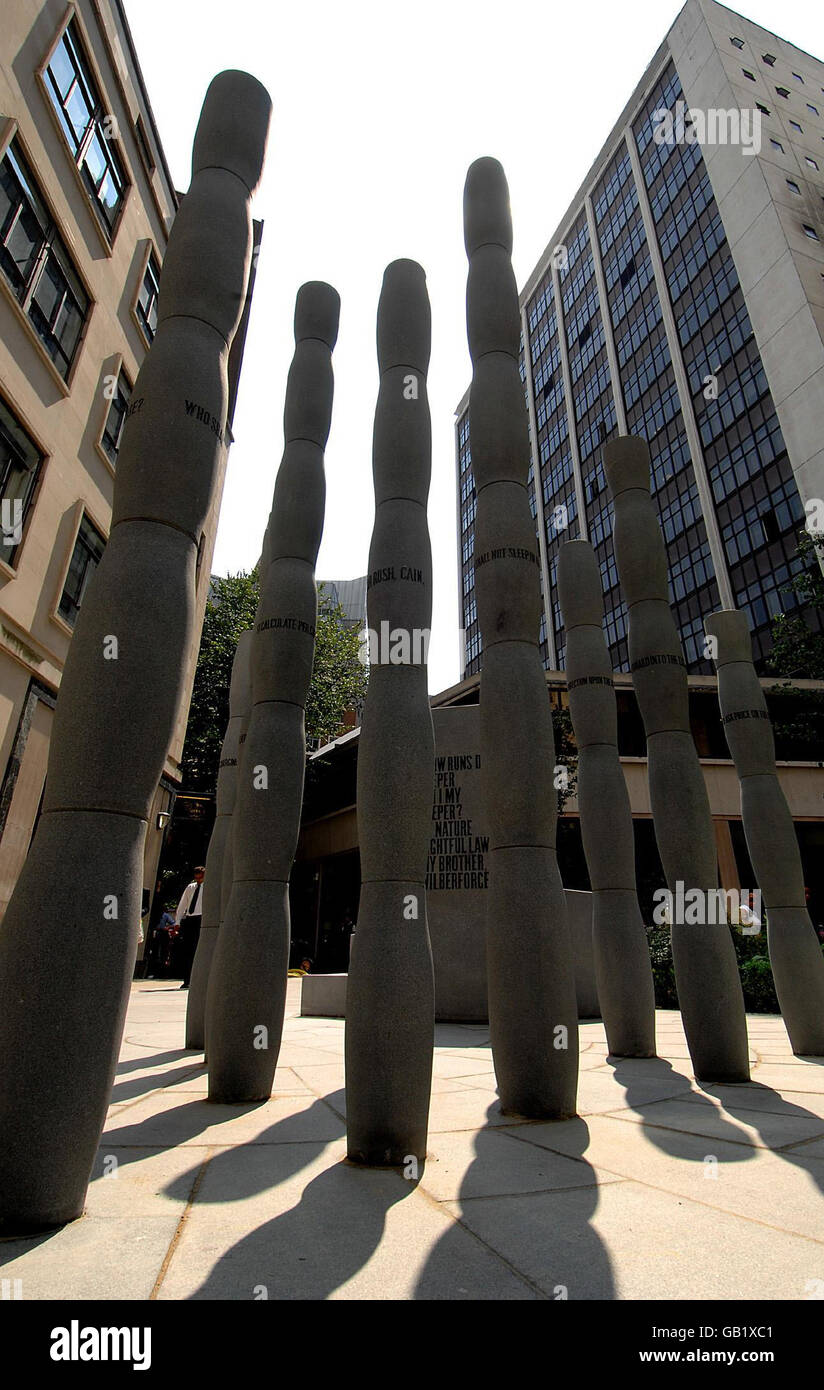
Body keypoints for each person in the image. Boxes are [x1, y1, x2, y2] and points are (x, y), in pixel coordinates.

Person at [175, 867, 205, 989]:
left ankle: (198, 978)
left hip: (201, 917)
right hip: (190, 918)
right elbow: (183, 904)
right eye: (196, 878)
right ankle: (187, 979)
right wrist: (178, 920)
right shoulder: (191, 887)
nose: (198, 880)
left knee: (198, 948)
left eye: (200, 878)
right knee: (188, 950)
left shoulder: (209, 887)